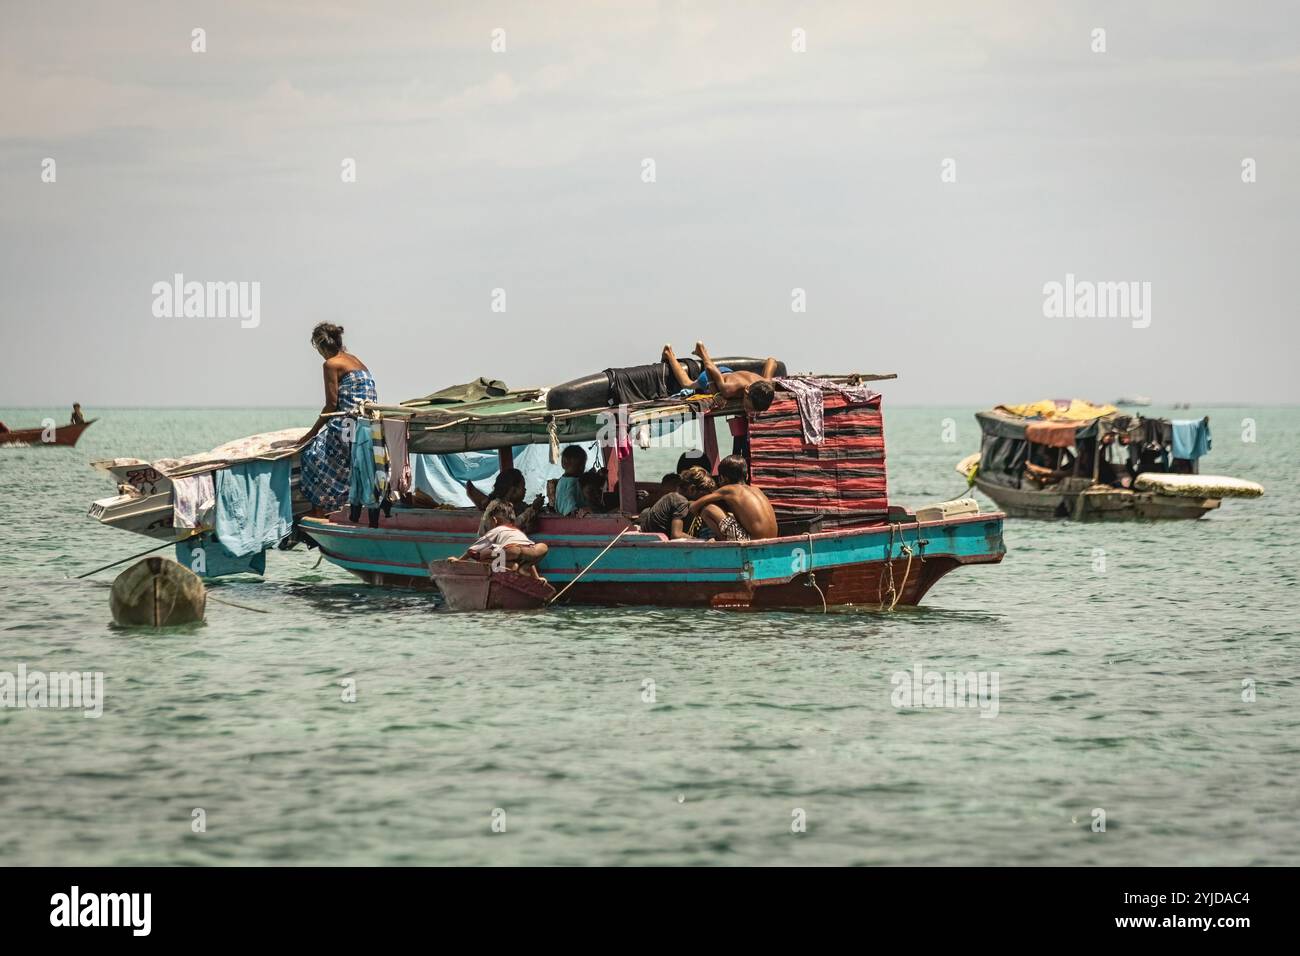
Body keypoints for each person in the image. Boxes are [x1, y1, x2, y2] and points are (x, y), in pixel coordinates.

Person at [299, 323, 378, 514]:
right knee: (344, 463)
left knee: (311, 455)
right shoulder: (354, 359)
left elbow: (331, 405)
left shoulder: (331, 364)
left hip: (348, 424)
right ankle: (345, 504)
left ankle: (322, 510)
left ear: (320, 346)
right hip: (368, 425)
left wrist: (311, 433)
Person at [663, 342, 776, 412]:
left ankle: (701, 351)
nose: (750, 411)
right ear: (746, 392)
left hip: (728, 373)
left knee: (720, 387)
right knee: (687, 384)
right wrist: (715, 394)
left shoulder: (765, 383)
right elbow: (710, 369)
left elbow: (772, 361)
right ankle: (669, 354)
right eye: (750, 407)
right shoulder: (728, 389)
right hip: (711, 376)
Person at [687, 454, 778, 541]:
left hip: (751, 541)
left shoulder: (729, 489)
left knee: (708, 510)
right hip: (772, 539)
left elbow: (693, 507)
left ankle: (727, 545)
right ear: (747, 476)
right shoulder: (757, 490)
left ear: (722, 478)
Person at [459, 500, 549, 580]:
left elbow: (473, 549)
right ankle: (523, 568)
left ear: (494, 520)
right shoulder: (517, 531)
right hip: (531, 551)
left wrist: (459, 561)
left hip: (512, 550)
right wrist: (536, 577)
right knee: (538, 550)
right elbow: (530, 560)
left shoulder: (496, 530)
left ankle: (509, 566)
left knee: (480, 555)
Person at [467, 468, 542, 534]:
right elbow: (510, 528)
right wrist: (532, 509)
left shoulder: (507, 505)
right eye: (523, 487)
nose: (525, 490)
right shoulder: (498, 507)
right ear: (513, 490)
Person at [546, 445, 589, 516]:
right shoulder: (572, 482)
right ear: (564, 463)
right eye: (580, 464)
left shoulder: (562, 480)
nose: (582, 467)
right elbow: (570, 509)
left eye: (583, 464)